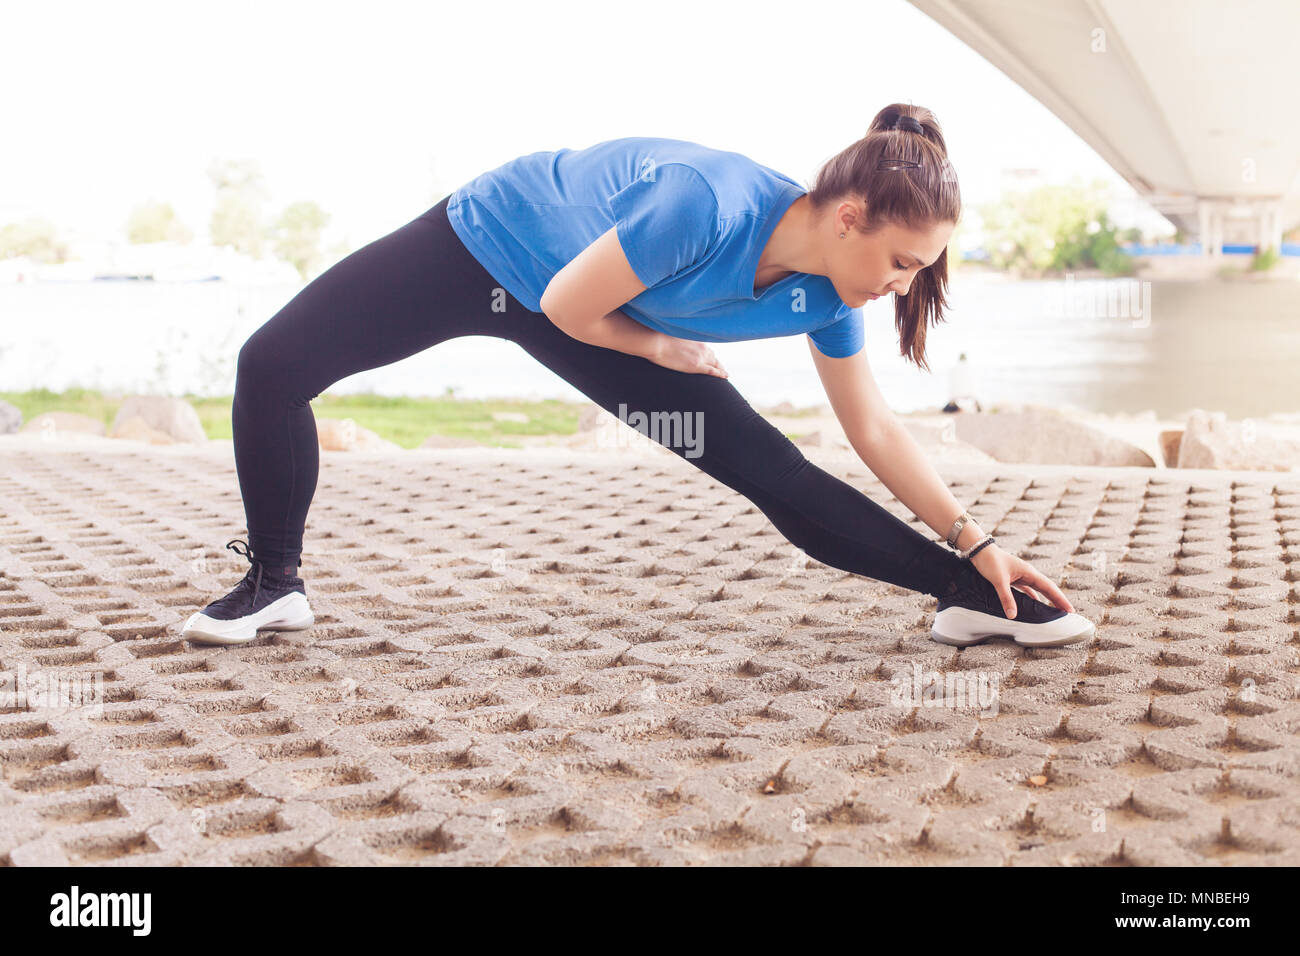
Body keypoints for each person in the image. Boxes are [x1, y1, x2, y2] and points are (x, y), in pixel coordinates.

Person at [181, 103, 1094, 650]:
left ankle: (978, 603)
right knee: (272, 364)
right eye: (902, 262)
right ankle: (276, 583)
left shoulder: (826, 298)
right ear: (849, 217)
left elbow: (876, 431)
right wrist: (661, 350)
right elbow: (571, 307)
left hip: (605, 308)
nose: (905, 287)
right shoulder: (706, 206)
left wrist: (977, 548)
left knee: (772, 472)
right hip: (489, 246)